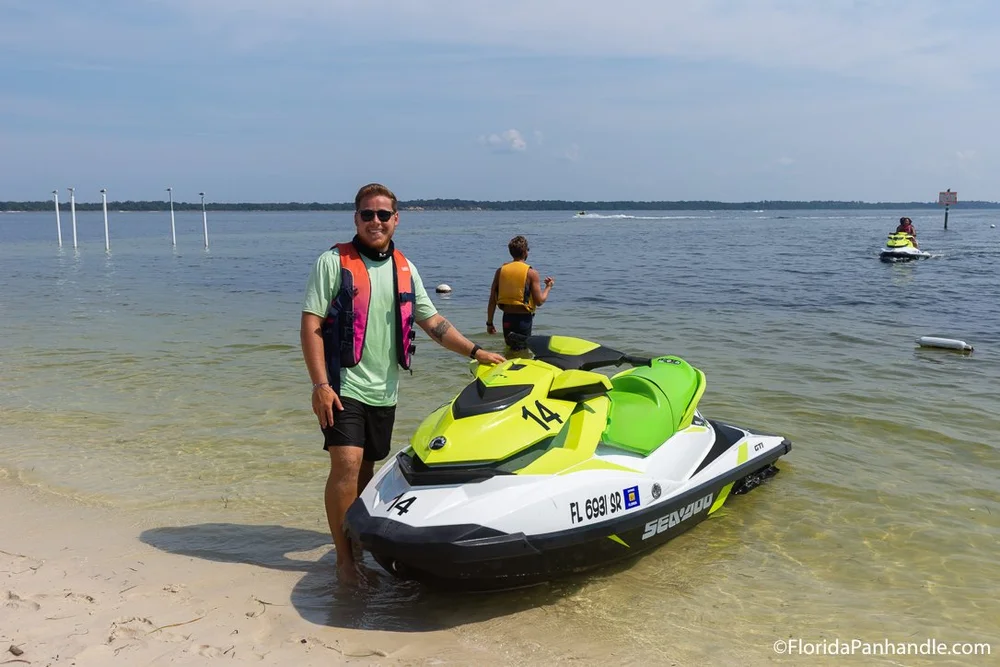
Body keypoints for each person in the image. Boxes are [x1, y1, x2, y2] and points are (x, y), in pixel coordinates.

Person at [300, 183, 505, 582]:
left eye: (382, 215)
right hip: (342, 384)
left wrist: (477, 352)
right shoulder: (332, 262)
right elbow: (311, 326)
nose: (375, 221)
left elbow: (433, 324)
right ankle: (345, 563)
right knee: (346, 463)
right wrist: (320, 385)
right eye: (366, 214)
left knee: (366, 470)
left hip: (384, 388)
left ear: (395, 220)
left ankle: (353, 540)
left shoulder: (405, 269)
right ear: (355, 218)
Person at [486, 235, 554, 351]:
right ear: (525, 252)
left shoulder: (500, 271)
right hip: (523, 320)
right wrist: (548, 287)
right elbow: (539, 301)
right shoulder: (532, 273)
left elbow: (492, 300)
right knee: (522, 352)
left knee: (510, 350)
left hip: (507, 318)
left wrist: (490, 323)